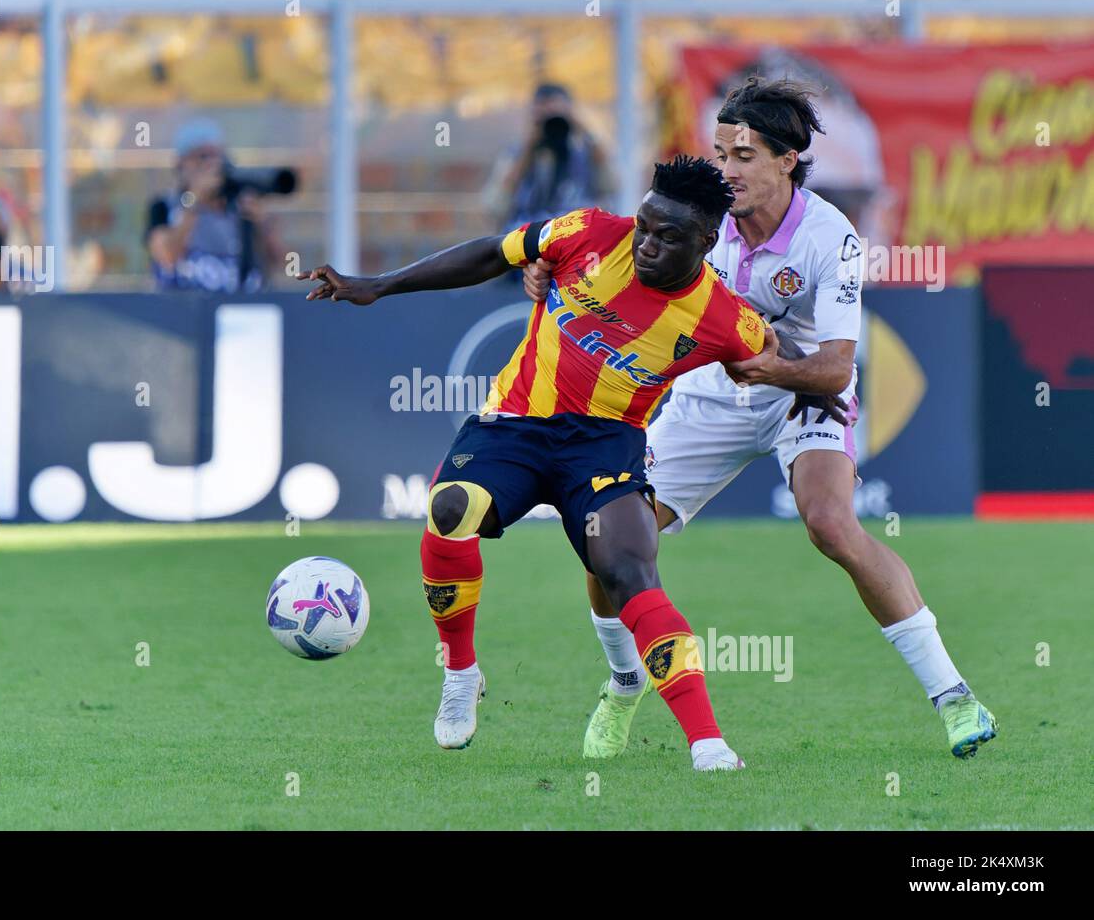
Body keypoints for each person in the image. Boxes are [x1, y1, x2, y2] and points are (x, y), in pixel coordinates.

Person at [305, 156, 836, 771]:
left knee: (630, 571)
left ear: (706, 242)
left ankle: (708, 743)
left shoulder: (723, 317)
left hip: (605, 446)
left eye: (669, 238)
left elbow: (778, 357)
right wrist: (381, 284)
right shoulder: (588, 232)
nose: (647, 245)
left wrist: (821, 390)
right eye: (645, 226)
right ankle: (460, 672)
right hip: (516, 424)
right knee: (451, 507)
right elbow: (491, 252)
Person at [523, 78, 997, 760]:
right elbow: (612, 262)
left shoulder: (830, 237)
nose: (727, 170)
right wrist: (548, 273)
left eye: (743, 155)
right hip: (705, 403)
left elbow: (834, 370)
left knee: (831, 524)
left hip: (798, 399)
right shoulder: (699, 215)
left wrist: (772, 368)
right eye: (720, 153)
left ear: (788, 159)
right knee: (608, 542)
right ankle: (625, 682)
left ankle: (954, 698)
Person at [145, 119, 281, 293]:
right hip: (182, 313)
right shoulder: (163, 206)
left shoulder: (239, 208)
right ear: (180, 163)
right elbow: (167, 257)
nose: (211, 164)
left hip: (239, 313)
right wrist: (195, 200)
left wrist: (263, 224)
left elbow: (280, 266)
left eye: (217, 156)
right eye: (201, 156)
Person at [485, 82, 614, 242]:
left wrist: (583, 130)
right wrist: (529, 149)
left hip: (576, 243)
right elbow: (495, 205)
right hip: (528, 243)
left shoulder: (585, 153)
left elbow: (612, 186)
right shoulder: (518, 154)